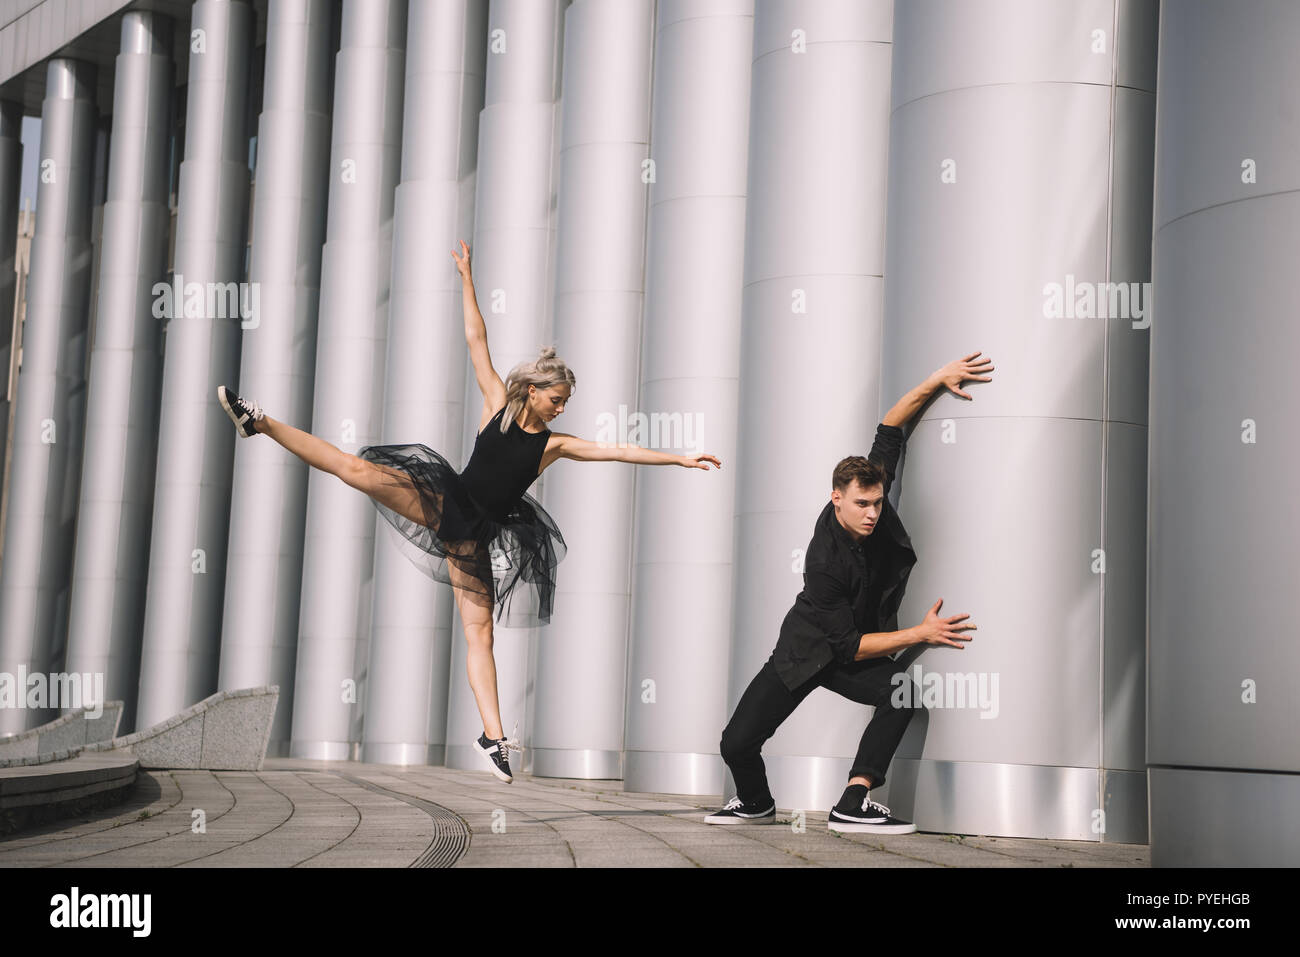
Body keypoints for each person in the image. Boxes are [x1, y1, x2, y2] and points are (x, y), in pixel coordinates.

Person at [217, 238, 722, 784]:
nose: (562, 408)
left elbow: (618, 450)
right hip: (442, 501)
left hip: (476, 537)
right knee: (355, 469)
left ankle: (494, 737)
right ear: (532, 391)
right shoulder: (497, 406)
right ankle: (260, 422)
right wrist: (466, 277)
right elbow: (477, 338)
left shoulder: (553, 445)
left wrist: (680, 457)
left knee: (480, 634)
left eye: (566, 403)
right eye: (557, 399)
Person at [704, 352, 992, 833]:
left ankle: (854, 801)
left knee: (902, 694)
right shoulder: (824, 563)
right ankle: (754, 802)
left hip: (851, 650)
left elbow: (890, 429)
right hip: (806, 652)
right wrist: (918, 633)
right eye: (862, 503)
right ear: (836, 497)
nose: (873, 513)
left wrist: (936, 378)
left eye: (878, 502)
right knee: (735, 744)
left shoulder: (870, 486)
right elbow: (847, 646)